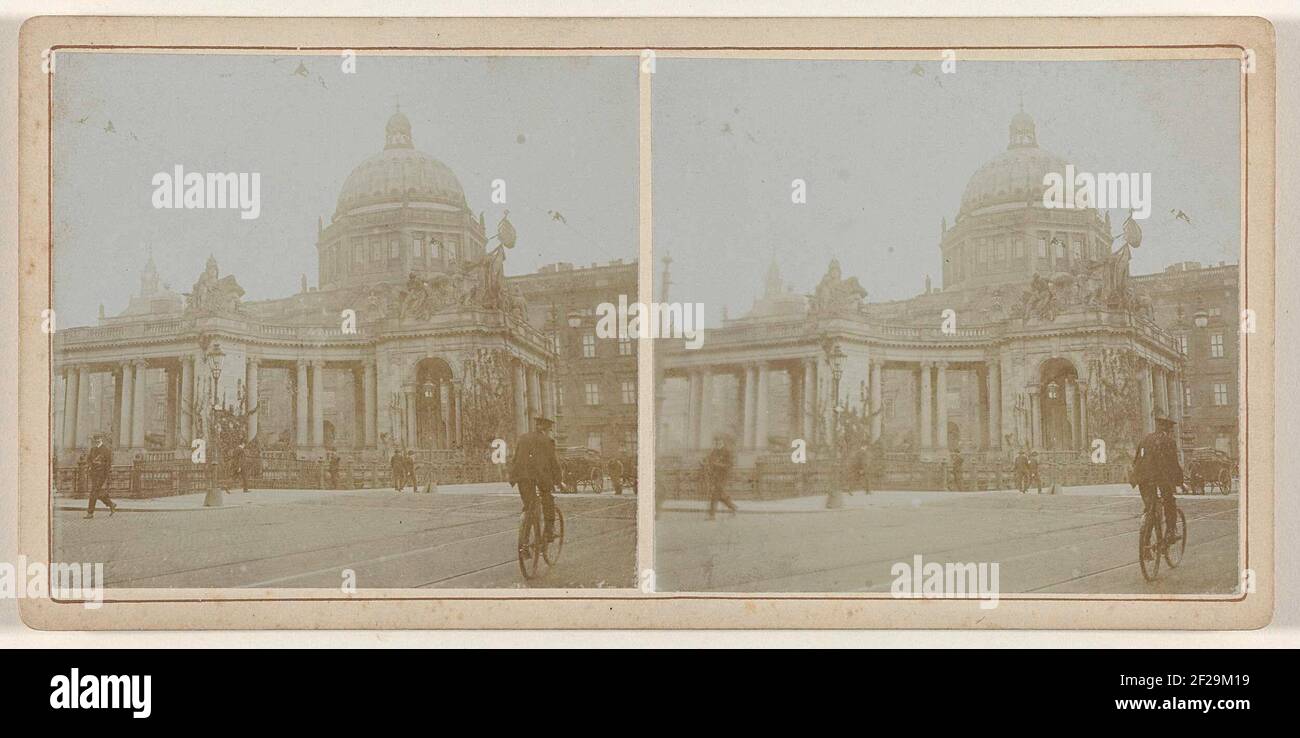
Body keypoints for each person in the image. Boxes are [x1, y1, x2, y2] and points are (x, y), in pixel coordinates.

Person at [1133, 414, 1184, 549]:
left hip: (1142, 478)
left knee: (1150, 507)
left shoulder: (1145, 439)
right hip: (1159, 477)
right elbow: (1174, 464)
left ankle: (1146, 544)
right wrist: (1180, 482)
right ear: (1168, 429)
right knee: (1169, 501)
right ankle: (1170, 533)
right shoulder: (1169, 441)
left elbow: (1137, 459)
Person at [510, 416, 562, 540]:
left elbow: (515, 458)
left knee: (529, 508)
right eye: (549, 429)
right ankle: (549, 532)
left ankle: (525, 542)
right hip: (540, 477)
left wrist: (513, 476)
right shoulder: (547, 441)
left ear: (537, 426)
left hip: (521, 476)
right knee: (548, 499)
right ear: (547, 428)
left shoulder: (523, 438)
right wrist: (559, 480)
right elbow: (553, 462)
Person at [703, 434, 737, 519]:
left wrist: (717, 465)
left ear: (723, 442)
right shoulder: (714, 451)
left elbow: (730, 464)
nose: (717, 443)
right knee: (720, 495)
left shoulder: (727, 452)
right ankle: (733, 507)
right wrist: (704, 463)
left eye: (719, 441)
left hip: (723, 476)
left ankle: (712, 515)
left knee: (715, 494)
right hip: (714, 476)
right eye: (716, 441)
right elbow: (709, 460)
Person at [83, 435, 116, 518]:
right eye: (95, 439)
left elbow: (108, 464)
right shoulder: (93, 449)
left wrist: (106, 476)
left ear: (101, 440)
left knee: (93, 492)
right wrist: (90, 465)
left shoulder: (106, 450)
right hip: (93, 474)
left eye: (98, 439)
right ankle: (111, 504)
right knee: (97, 492)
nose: (97, 441)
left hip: (101, 475)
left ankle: (90, 513)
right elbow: (89, 460)